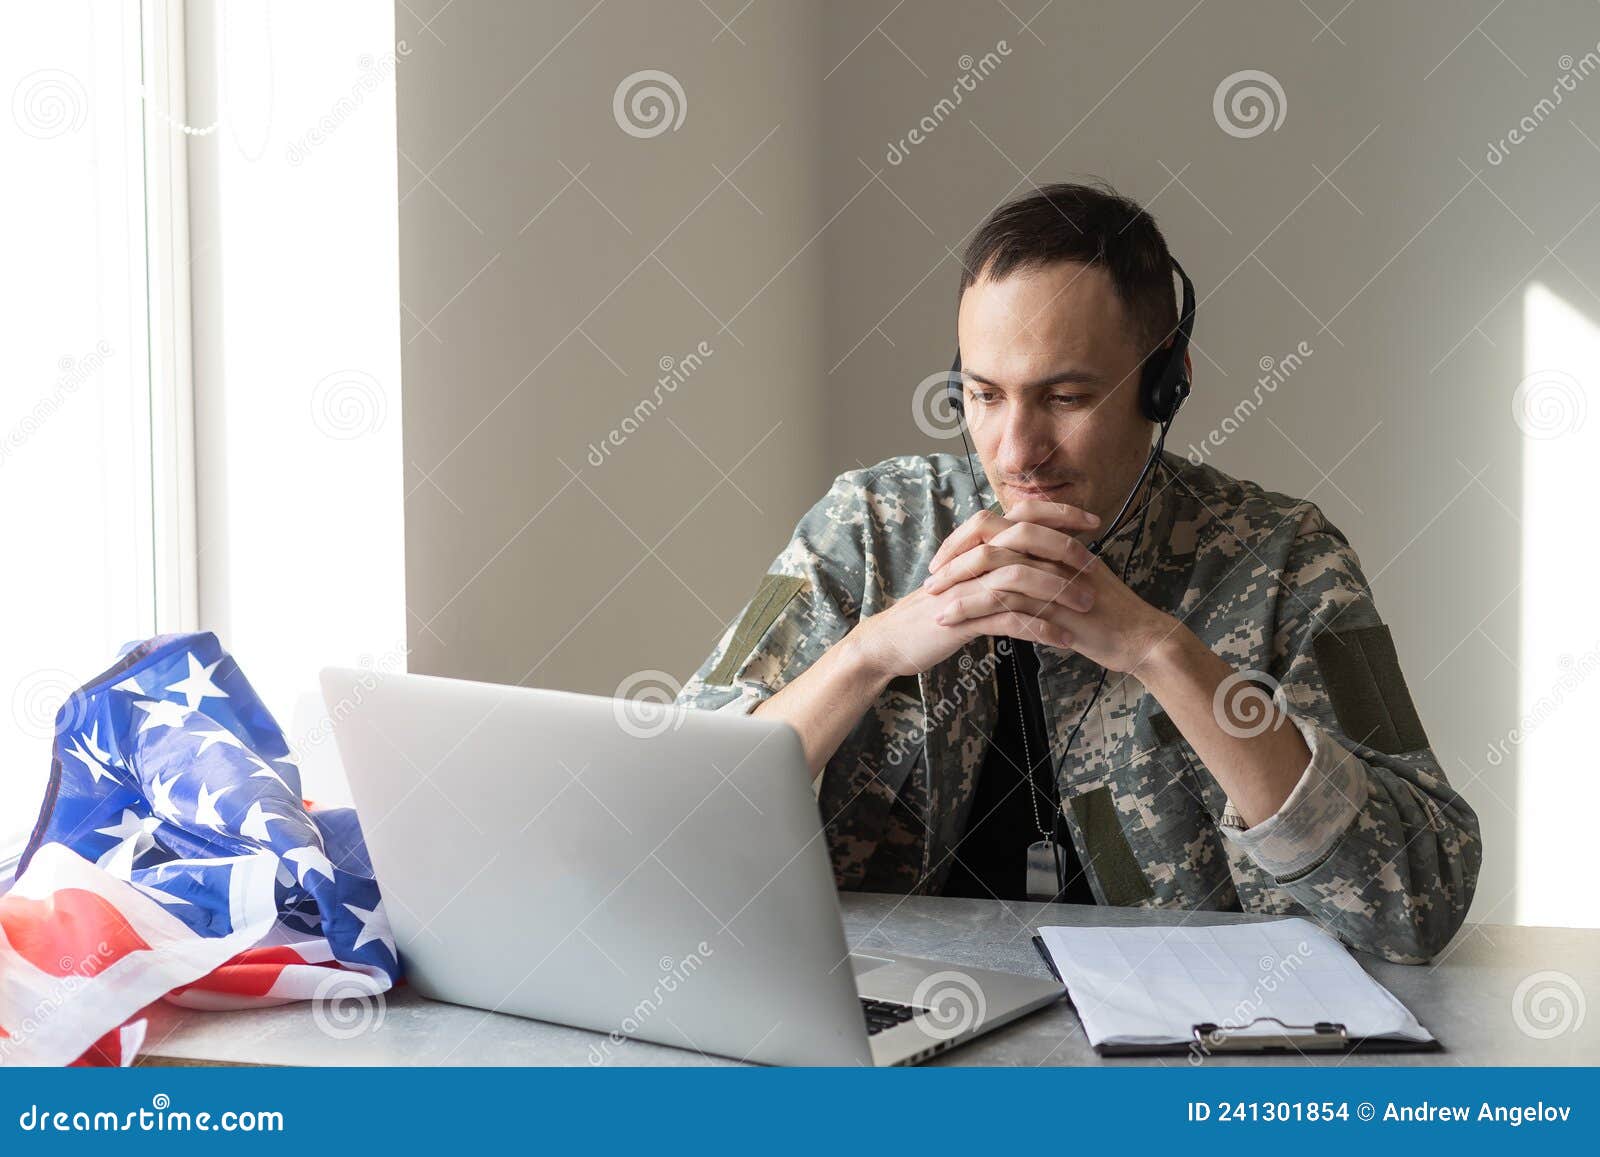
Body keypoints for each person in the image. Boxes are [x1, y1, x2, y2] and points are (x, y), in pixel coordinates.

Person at [675, 181, 1480, 964]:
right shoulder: (871, 527)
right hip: (894, 1039)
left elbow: (1419, 899)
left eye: (1064, 397)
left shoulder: (1280, 559)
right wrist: (868, 654)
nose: (1017, 451)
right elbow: (676, 824)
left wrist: (1160, 651)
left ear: (1167, 384)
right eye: (984, 395)